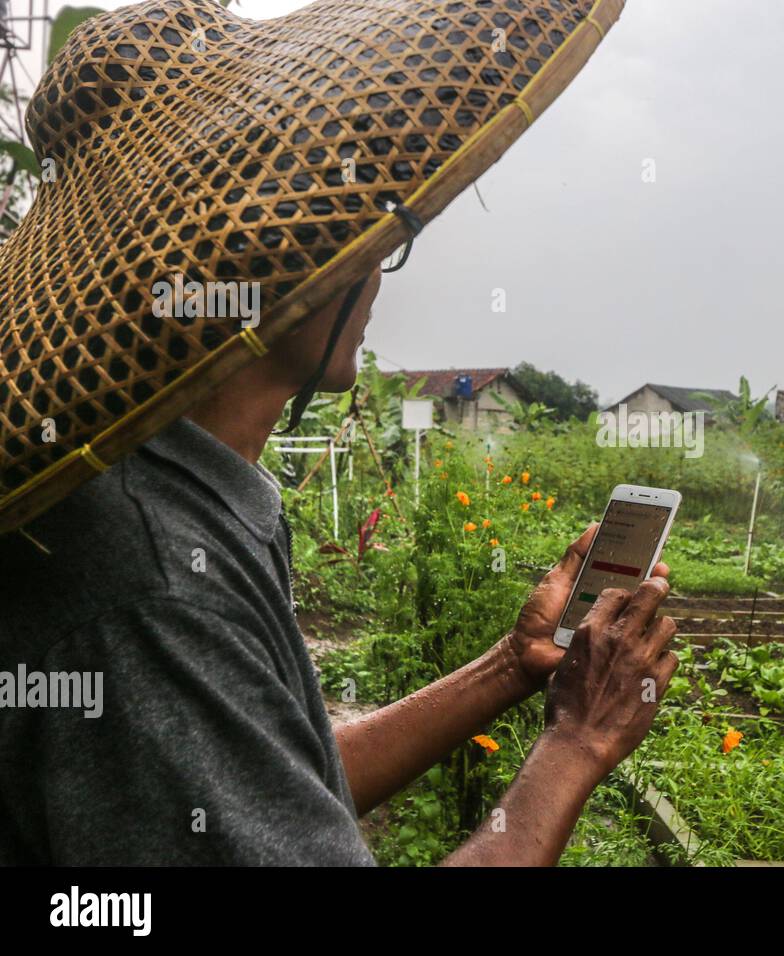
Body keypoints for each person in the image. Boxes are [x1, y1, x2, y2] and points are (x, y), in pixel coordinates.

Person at [0, 0, 658, 864]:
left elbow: (275, 784)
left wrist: (512, 663)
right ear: (253, 266)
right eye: (348, 239)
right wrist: (577, 745)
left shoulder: (176, 483)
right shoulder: (151, 583)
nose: (373, 266)